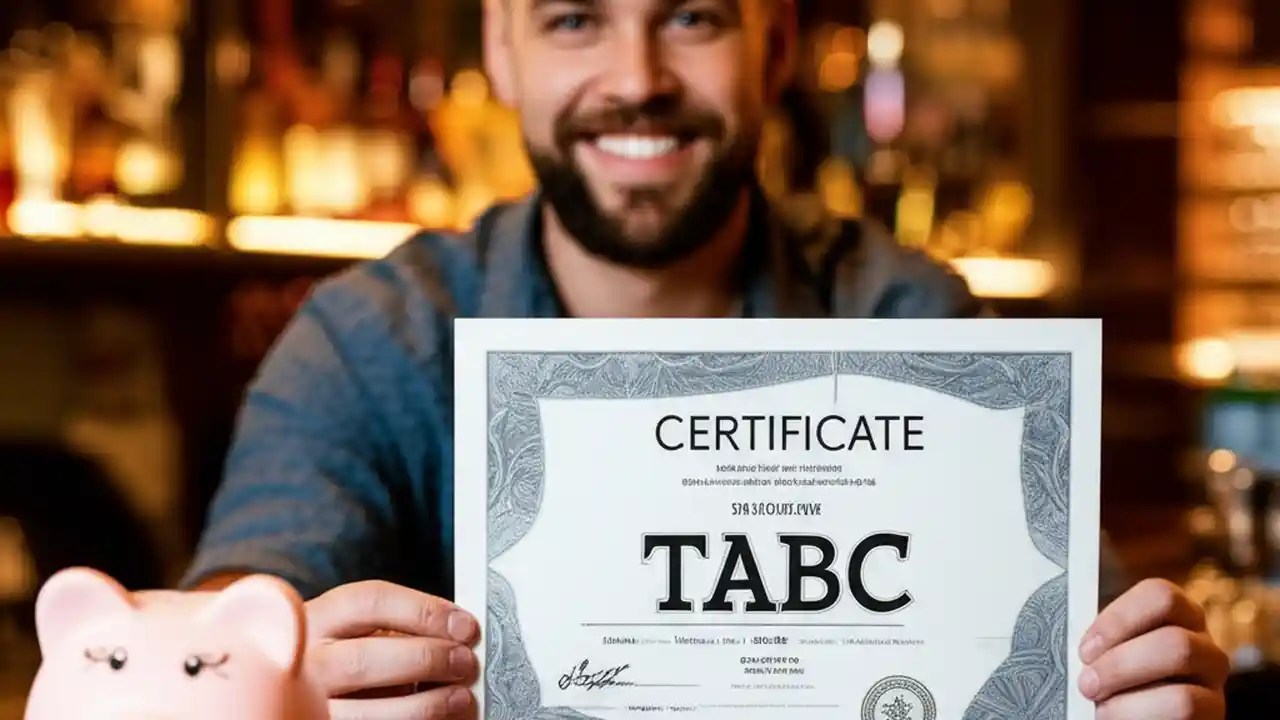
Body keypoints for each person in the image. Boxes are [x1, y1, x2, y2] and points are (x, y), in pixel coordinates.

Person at [181, 1, 1230, 718]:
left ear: (774, 48)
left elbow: (1081, 664)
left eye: (692, 16)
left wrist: (1139, 682)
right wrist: (261, 672)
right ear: (498, 52)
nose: (634, 80)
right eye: (573, 18)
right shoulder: (375, 337)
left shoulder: (911, 325)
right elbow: (229, 614)